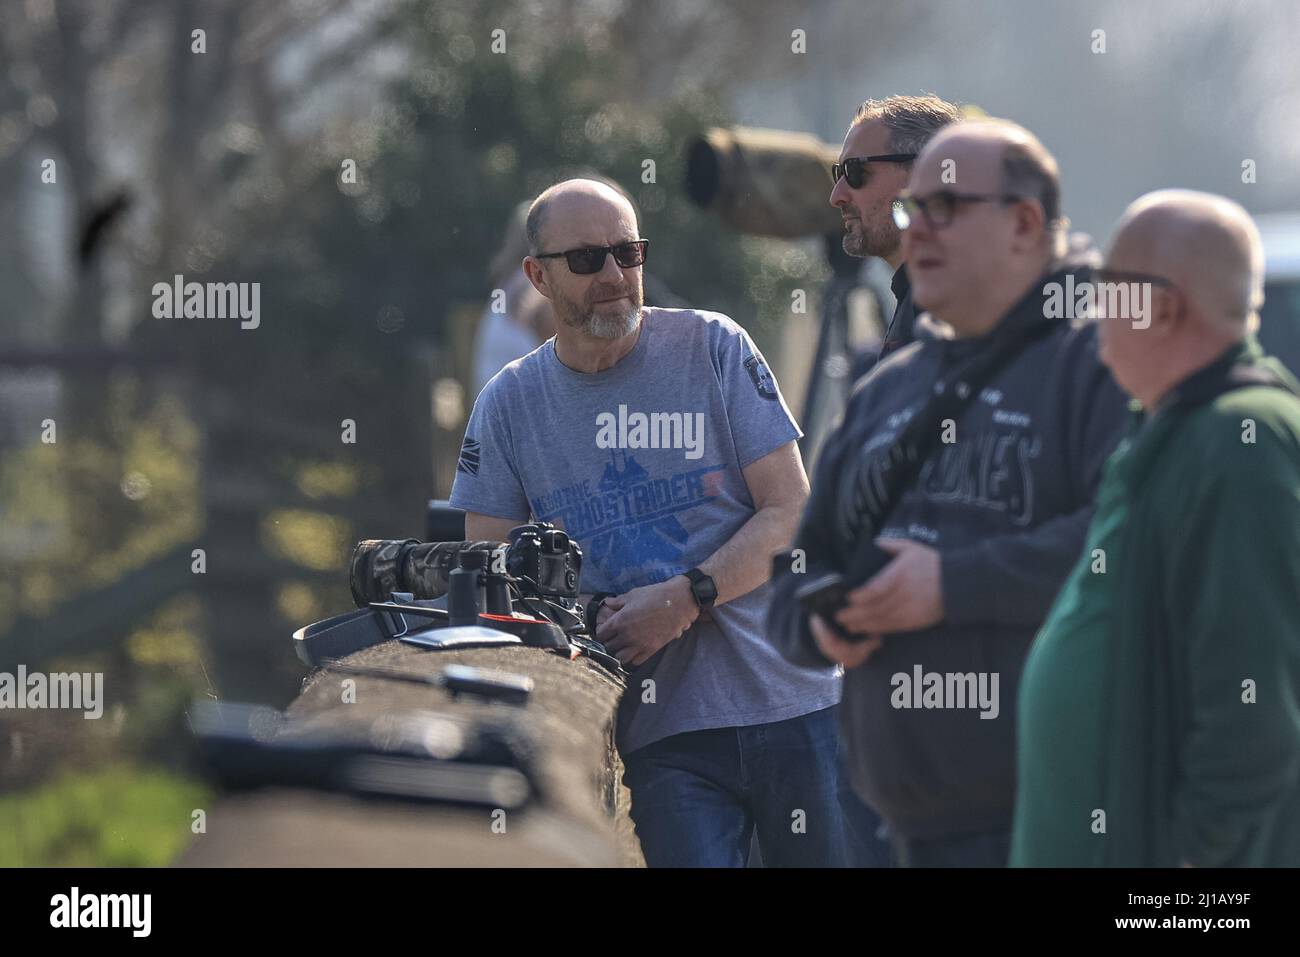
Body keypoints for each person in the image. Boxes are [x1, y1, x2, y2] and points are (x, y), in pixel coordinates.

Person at [449, 178, 847, 867]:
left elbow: (790, 511)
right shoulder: (508, 404)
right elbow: (495, 571)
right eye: (587, 260)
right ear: (537, 275)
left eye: (627, 253)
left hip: (798, 702)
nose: (613, 276)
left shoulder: (714, 346)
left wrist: (685, 596)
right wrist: (586, 611)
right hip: (665, 735)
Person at [768, 119, 1128, 866]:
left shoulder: (1101, 362)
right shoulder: (886, 384)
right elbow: (797, 571)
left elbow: (1131, 547)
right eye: (910, 209)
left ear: (1025, 223)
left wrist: (951, 584)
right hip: (888, 822)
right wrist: (823, 614)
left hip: (1058, 824)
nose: (916, 229)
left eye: (945, 209)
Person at [1012, 190, 1300, 867]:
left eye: (1107, 292)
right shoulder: (1172, 424)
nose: (1091, 316)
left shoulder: (1241, 442)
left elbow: (1252, 718)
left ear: (1163, 306)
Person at [830, 94, 962, 381]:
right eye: (837, 173)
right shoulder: (924, 296)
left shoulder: (958, 305)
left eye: (855, 171)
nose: (836, 196)